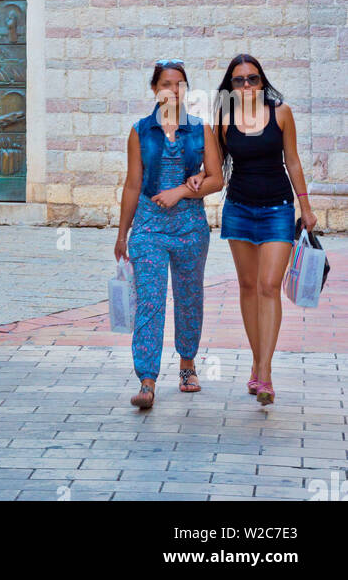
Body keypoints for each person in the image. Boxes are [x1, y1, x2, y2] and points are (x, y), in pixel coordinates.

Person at [115, 61, 224, 410]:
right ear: (154, 89)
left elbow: (216, 178)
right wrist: (122, 233)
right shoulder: (140, 131)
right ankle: (147, 380)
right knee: (150, 300)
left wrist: (183, 190)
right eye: (166, 84)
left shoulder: (200, 129)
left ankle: (188, 364)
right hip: (148, 227)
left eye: (179, 84)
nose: (173, 90)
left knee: (189, 297)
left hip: (190, 227)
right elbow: (133, 184)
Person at [213, 54, 316, 406]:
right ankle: (257, 363)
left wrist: (306, 206)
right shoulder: (223, 118)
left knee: (268, 286)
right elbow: (214, 165)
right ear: (231, 85)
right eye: (239, 80)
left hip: (278, 210)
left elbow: (294, 160)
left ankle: (266, 373)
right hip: (239, 209)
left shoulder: (281, 112)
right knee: (247, 287)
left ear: (262, 81)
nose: (246, 86)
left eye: (252, 79)